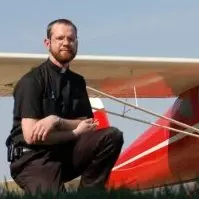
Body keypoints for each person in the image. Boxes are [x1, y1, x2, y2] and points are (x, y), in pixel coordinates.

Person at [5, 18, 124, 194]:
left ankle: (89, 194)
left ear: (76, 43)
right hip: (33, 158)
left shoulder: (77, 82)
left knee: (112, 136)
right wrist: (75, 131)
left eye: (71, 39)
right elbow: (31, 136)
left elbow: (88, 124)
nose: (66, 43)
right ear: (47, 43)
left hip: (65, 153)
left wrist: (57, 121)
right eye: (60, 38)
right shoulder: (32, 81)